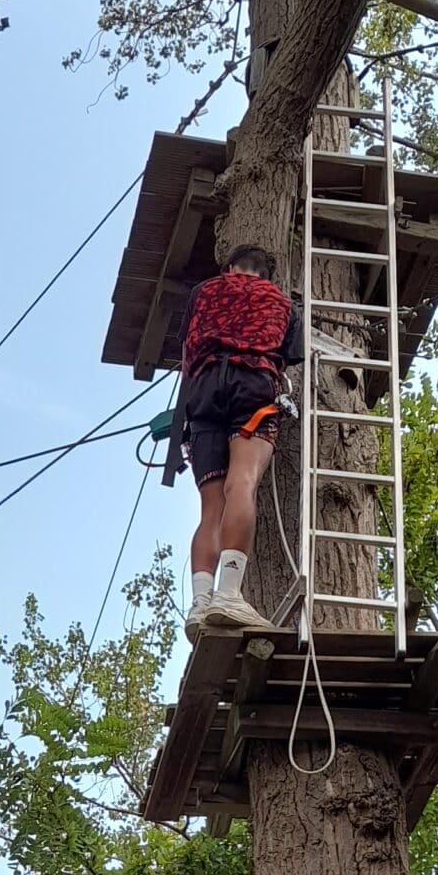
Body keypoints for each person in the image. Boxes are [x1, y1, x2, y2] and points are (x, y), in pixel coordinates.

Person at [175, 243, 302, 638]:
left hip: (202, 392)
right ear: (267, 275)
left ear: (230, 268)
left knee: (210, 507)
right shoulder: (282, 303)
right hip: (251, 385)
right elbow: (287, 355)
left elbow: (187, 341)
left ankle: (200, 602)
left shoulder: (204, 292)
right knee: (242, 482)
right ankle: (229, 593)